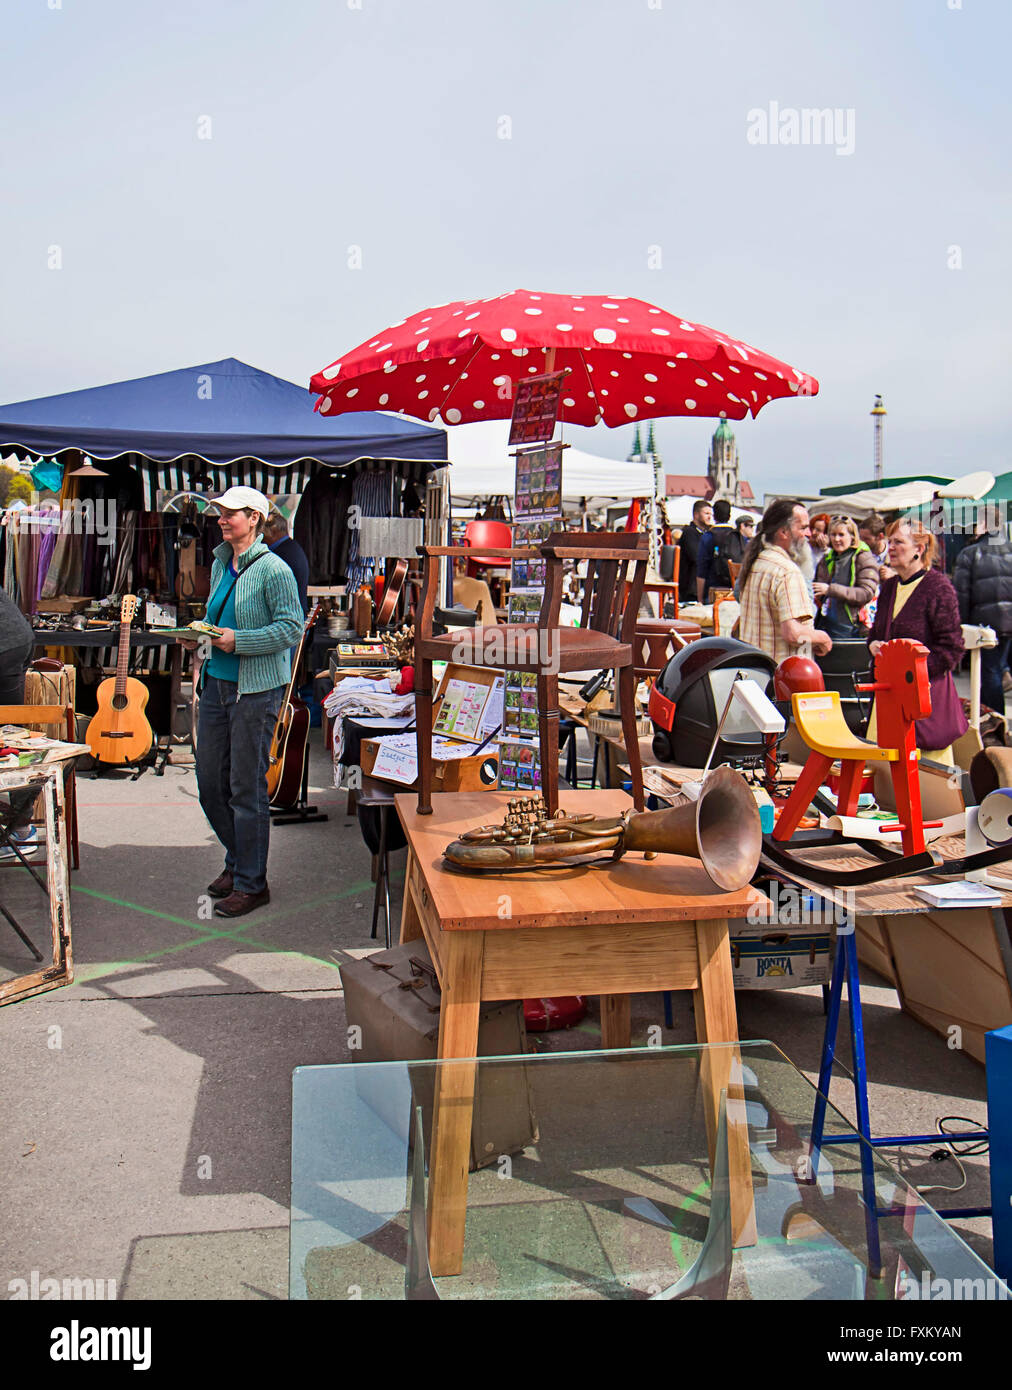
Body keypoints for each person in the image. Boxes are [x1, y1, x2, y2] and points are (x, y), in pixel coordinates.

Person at [186, 487, 304, 917]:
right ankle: (239, 860)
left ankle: (251, 881)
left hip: (256, 689)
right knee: (210, 784)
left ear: (254, 518)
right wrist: (198, 635)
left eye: (230, 513)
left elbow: (291, 629)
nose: (221, 518)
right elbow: (217, 621)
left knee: (245, 785)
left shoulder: (275, 569)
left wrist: (241, 642)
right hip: (217, 684)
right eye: (219, 512)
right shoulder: (222, 563)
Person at [867, 518, 967, 760]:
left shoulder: (938, 588)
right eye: (889, 541)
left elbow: (951, 649)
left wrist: (911, 672)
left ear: (919, 550)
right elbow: (875, 633)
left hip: (923, 708)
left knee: (920, 785)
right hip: (887, 702)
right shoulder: (890, 587)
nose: (890, 547)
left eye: (898, 542)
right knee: (883, 777)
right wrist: (872, 645)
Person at [737, 499, 832, 664]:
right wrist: (822, 638)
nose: (808, 534)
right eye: (803, 528)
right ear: (783, 532)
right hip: (781, 675)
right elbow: (793, 633)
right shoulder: (787, 571)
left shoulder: (757, 562)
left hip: (756, 671)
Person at [954, 521, 1012, 714]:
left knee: (989, 673)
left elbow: (962, 594)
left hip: (984, 624)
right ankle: (990, 717)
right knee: (993, 670)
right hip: (1008, 622)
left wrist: (960, 626)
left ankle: (996, 720)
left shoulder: (970, 553)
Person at [0, 590, 41, 861]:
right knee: (12, 738)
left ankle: (20, 827)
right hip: (15, 638)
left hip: (8, 642)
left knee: (10, 740)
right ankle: (21, 827)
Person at [812, 515, 879, 640]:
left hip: (853, 629)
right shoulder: (827, 558)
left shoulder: (863, 558)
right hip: (826, 626)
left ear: (852, 536)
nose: (837, 539)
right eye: (833, 534)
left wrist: (830, 589)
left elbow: (866, 593)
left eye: (841, 535)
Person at [263, 509, 310, 615]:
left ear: (274, 532)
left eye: (263, 534)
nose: (261, 539)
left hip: (289, 615)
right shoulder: (291, 548)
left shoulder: (281, 554)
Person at [695, 499, 744, 602]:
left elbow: (701, 570)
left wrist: (700, 599)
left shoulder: (708, 536)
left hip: (713, 589)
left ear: (714, 516)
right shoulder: (738, 537)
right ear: (729, 516)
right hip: (734, 592)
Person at [678, 498, 712, 603]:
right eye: (706, 513)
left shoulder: (705, 533)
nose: (709, 517)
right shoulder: (689, 532)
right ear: (696, 515)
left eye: (711, 514)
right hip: (691, 589)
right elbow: (697, 557)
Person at [858, 512, 892, 578]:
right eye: (860, 538)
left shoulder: (896, 553)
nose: (861, 542)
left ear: (880, 536)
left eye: (866, 539)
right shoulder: (859, 555)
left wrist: (893, 576)